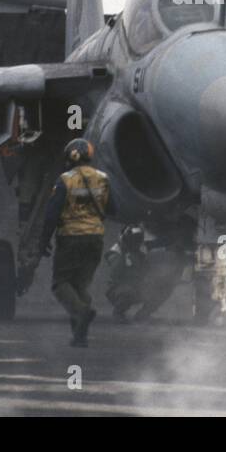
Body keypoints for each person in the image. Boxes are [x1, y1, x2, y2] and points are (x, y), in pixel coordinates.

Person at [41, 138, 113, 347]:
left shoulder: (65, 180)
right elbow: (113, 208)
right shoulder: (103, 179)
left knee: (61, 283)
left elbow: (52, 214)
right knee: (81, 286)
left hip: (70, 239)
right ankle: (80, 336)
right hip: (95, 239)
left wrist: (43, 241)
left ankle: (82, 313)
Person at [105, 225, 148, 323]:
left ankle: (144, 313)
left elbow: (146, 270)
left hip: (138, 286)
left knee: (158, 288)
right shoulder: (116, 252)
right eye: (132, 240)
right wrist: (124, 254)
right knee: (128, 291)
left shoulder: (140, 252)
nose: (135, 243)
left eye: (137, 240)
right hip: (117, 288)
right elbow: (115, 272)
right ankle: (118, 313)